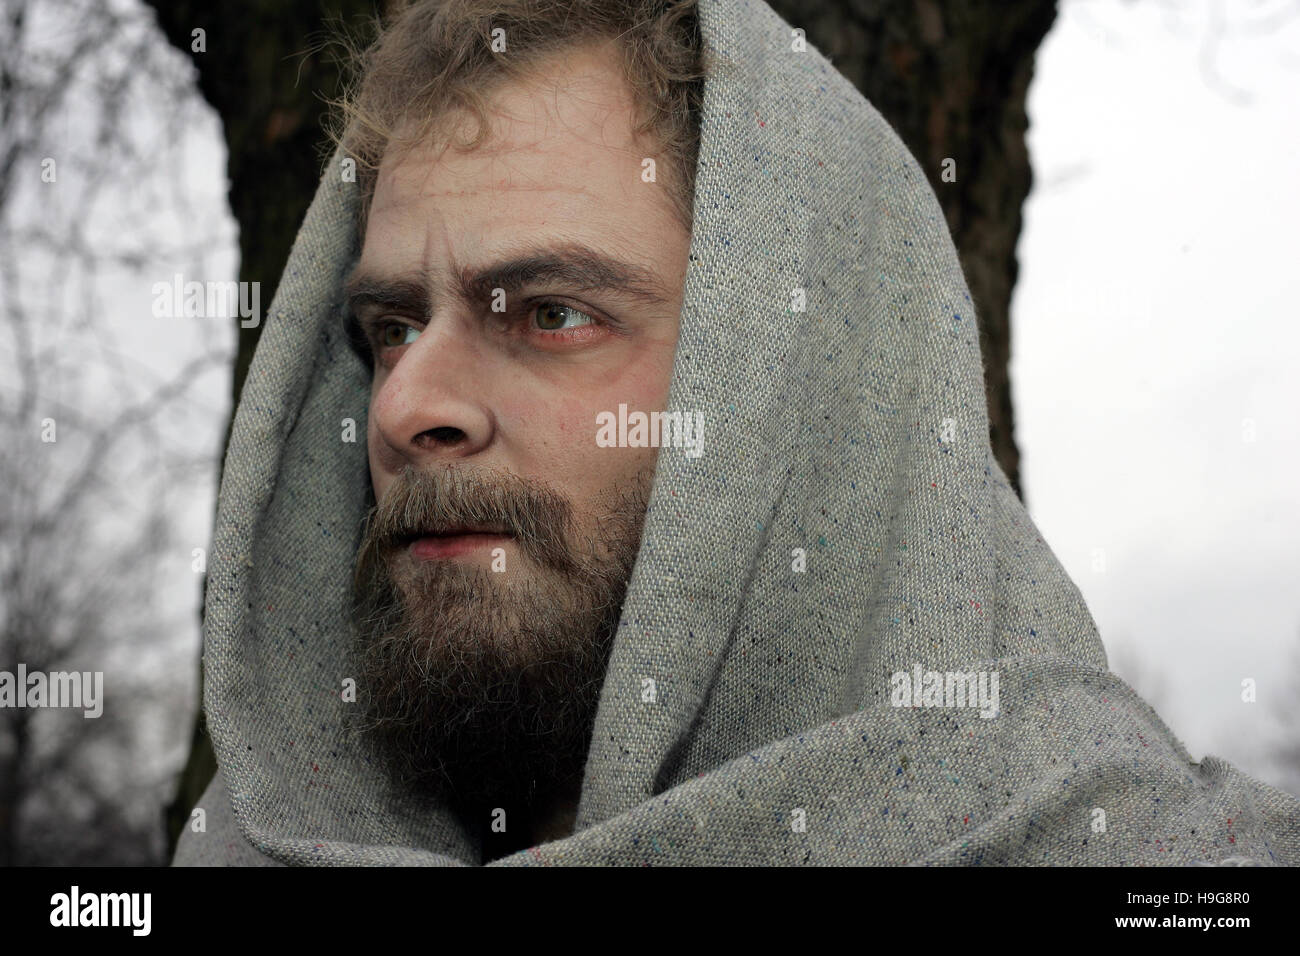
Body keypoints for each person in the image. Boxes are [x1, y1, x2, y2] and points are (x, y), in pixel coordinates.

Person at [173, 0, 1300, 866]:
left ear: (793, 396)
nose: (409, 405)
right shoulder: (251, 848)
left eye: (553, 313)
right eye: (391, 327)